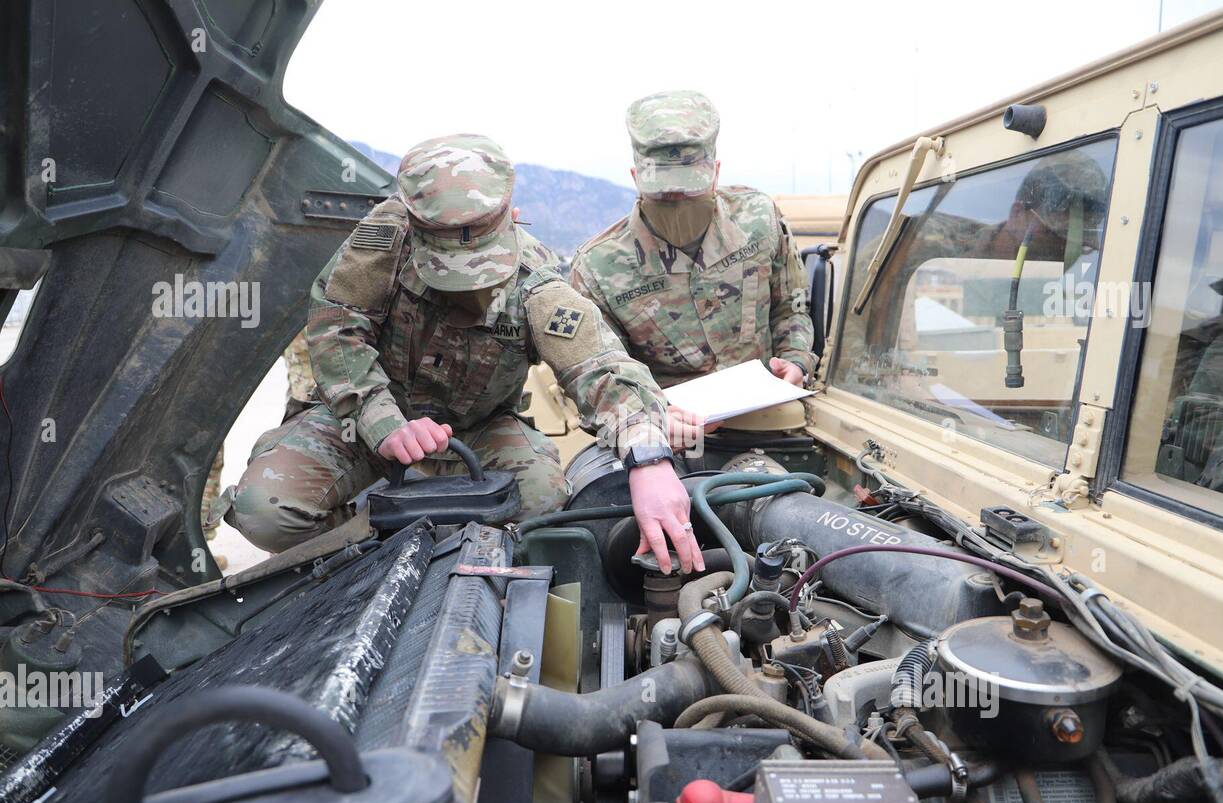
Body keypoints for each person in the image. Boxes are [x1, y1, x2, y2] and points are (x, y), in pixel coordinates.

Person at [220, 134, 702, 573]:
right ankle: (363, 560)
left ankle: (457, 567)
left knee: (542, 499)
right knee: (266, 510)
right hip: (365, 421)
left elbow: (600, 366)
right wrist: (383, 422)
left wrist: (649, 460)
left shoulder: (536, 282)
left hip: (479, 430)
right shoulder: (381, 243)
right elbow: (337, 329)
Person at [569, 90, 816, 445]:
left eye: (689, 192)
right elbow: (595, 376)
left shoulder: (759, 221)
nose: (677, 203)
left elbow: (790, 307)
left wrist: (795, 359)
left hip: (773, 424)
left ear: (715, 174)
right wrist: (644, 417)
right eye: (664, 195)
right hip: (669, 441)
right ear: (636, 177)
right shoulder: (598, 269)